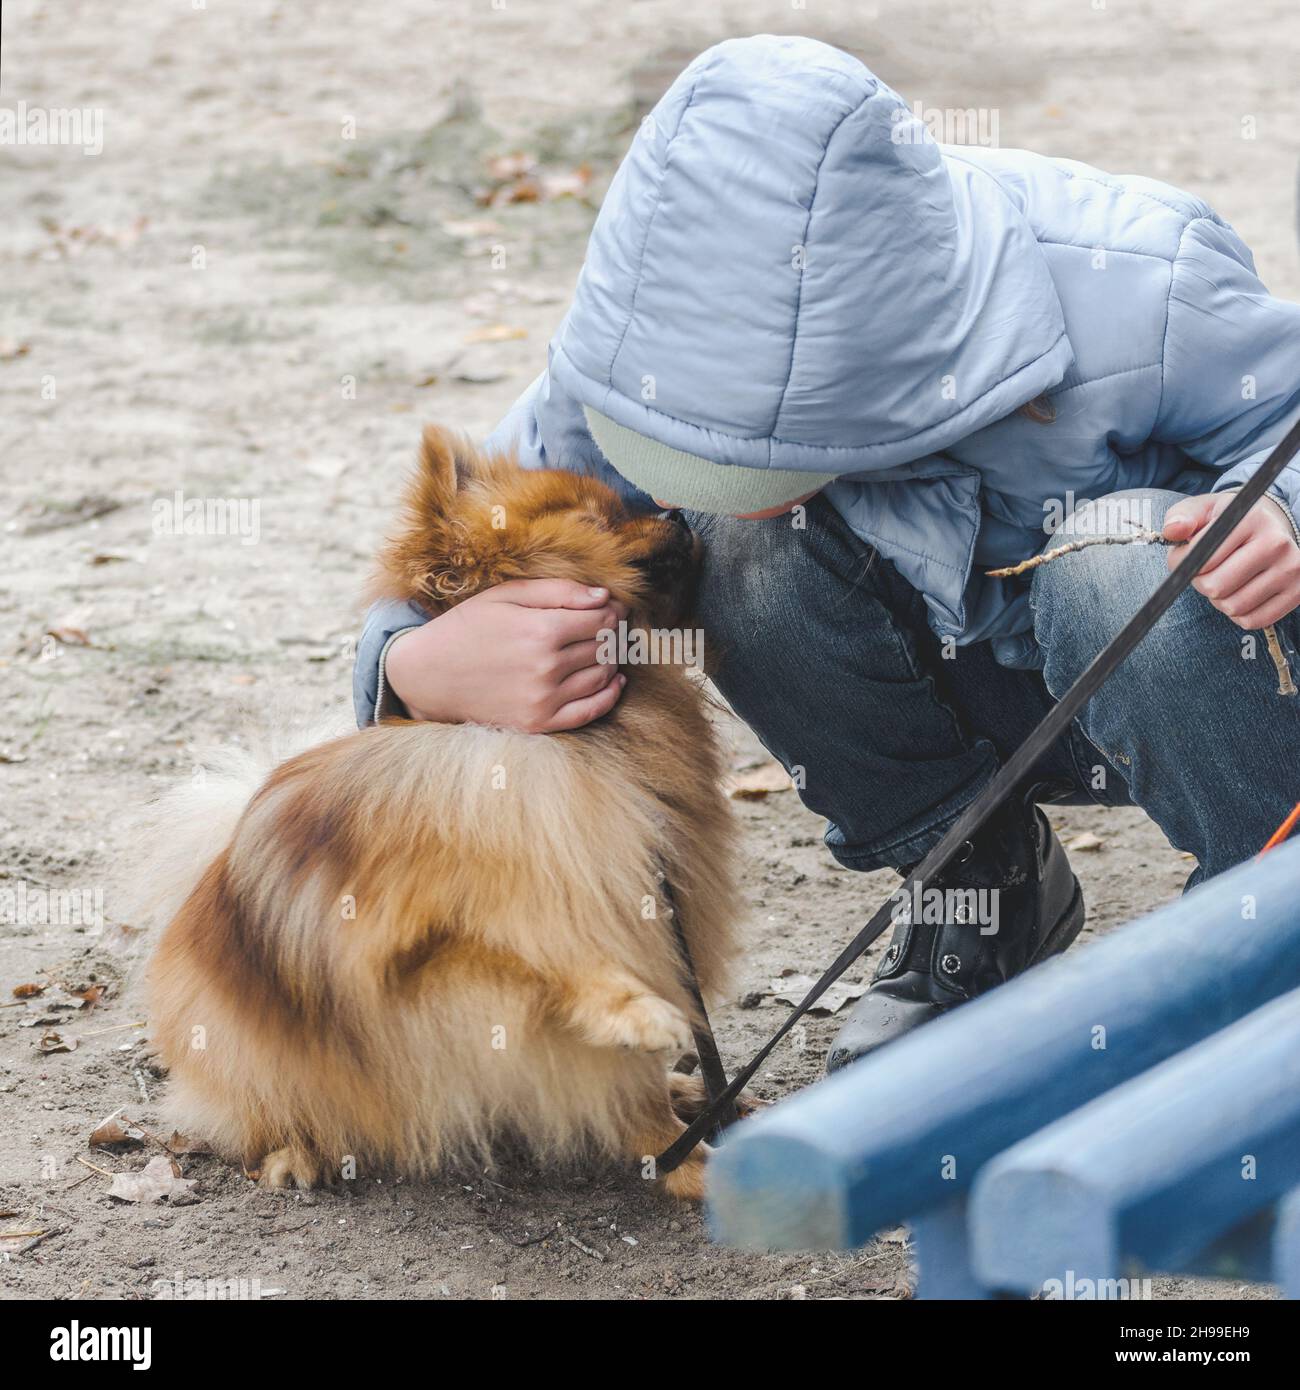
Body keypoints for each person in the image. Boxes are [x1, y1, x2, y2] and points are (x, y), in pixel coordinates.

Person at [353, 36, 1300, 1069]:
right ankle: (980, 887)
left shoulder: (1139, 283)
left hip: (1192, 690)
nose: (665, 487)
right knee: (728, 552)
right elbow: (469, 537)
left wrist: (1285, 510)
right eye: (665, 451)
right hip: (969, 696)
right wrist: (410, 664)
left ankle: (1260, 924)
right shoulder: (640, 359)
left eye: (740, 460)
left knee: (1121, 564)